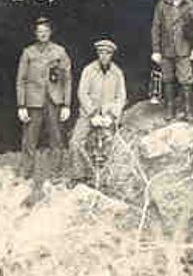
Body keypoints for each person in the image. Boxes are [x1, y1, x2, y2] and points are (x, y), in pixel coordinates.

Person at [16, 17, 72, 181]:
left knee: (56, 137)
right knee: (29, 138)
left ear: (50, 32)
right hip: (33, 101)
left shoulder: (60, 52)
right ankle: (26, 172)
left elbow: (67, 79)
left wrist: (66, 104)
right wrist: (21, 105)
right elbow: (21, 80)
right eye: (39, 31)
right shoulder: (28, 52)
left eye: (45, 31)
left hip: (54, 100)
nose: (43, 34)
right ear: (35, 34)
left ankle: (56, 173)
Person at [68, 39, 127, 185]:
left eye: (107, 53)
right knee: (75, 142)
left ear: (112, 54)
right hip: (89, 115)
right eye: (101, 52)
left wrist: (112, 115)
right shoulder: (89, 70)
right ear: (97, 53)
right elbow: (82, 93)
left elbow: (121, 96)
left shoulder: (117, 73)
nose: (104, 56)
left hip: (108, 116)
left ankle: (105, 177)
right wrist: (92, 114)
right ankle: (80, 175)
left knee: (110, 144)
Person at [151, 0, 193, 121]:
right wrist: (156, 50)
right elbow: (156, 28)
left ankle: (188, 109)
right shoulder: (162, 5)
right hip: (167, 49)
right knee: (168, 79)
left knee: (186, 80)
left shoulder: (190, 4)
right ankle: (170, 109)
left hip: (184, 48)